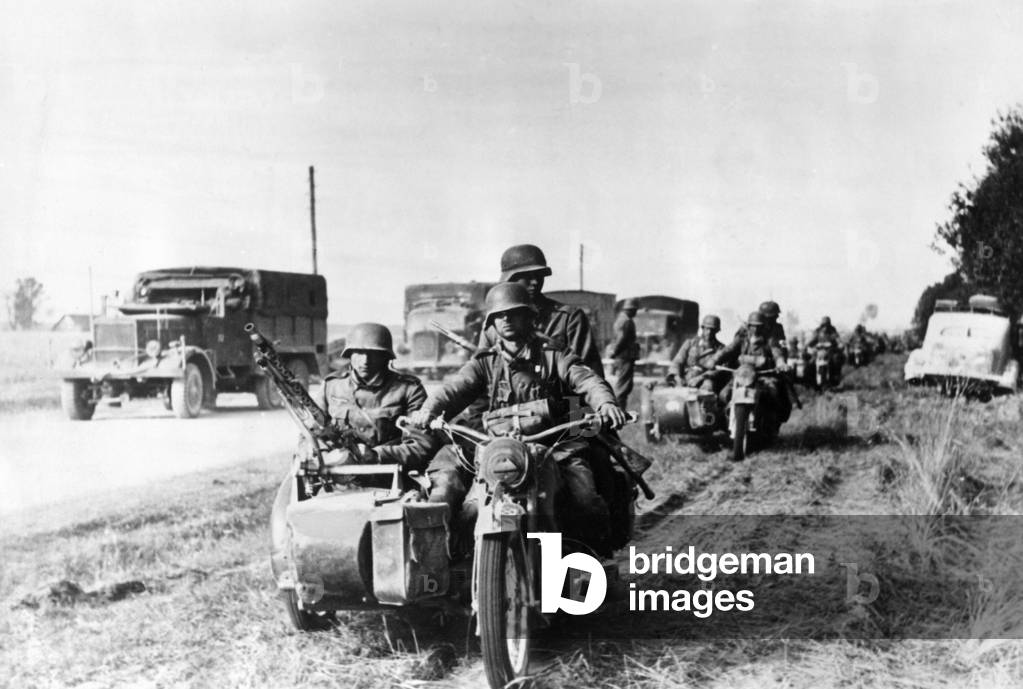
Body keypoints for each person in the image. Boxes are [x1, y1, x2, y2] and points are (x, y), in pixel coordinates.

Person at [411, 282, 629, 555]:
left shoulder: (554, 354)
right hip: (499, 448)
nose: (506, 320)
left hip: (553, 444)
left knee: (585, 498)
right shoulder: (484, 362)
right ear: (491, 323)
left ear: (529, 317)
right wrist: (428, 410)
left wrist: (606, 403)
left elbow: (586, 379)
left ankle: (593, 556)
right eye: (499, 316)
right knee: (467, 505)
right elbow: (454, 389)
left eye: (514, 313)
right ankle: (460, 557)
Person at [317, 322, 438, 470]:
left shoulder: (409, 389)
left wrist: (378, 455)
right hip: (339, 473)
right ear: (349, 354)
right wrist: (320, 451)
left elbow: (422, 445)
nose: (366, 360)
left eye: (374, 354)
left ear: (386, 357)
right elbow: (313, 430)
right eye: (359, 352)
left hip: (391, 474)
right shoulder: (332, 386)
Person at [479, 244, 605, 376]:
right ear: (510, 279)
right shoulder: (496, 321)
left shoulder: (568, 318)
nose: (534, 282)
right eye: (527, 276)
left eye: (539, 275)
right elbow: (482, 372)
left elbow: (590, 373)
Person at [711, 311, 791, 421]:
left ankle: (771, 422)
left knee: (773, 393)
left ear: (763, 327)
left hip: (763, 376)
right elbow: (728, 350)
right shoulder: (742, 339)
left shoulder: (769, 340)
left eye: (759, 326)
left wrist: (781, 363)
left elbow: (777, 352)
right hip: (741, 376)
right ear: (748, 326)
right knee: (723, 395)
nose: (756, 329)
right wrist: (714, 359)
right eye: (753, 326)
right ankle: (723, 420)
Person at [667, 314, 725, 392]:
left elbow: (719, 370)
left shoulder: (720, 348)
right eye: (707, 328)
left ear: (717, 331)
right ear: (702, 328)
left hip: (705, 379)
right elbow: (677, 362)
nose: (709, 332)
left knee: (708, 386)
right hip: (686, 377)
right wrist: (678, 377)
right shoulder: (690, 343)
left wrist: (700, 378)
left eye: (712, 330)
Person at [607, 298, 639, 407]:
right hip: (625, 357)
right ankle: (619, 411)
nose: (636, 312)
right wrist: (614, 351)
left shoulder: (621, 319)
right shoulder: (626, 321)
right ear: (630, 310)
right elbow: (621, 338)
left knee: (625, 385)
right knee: (623, 386)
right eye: (635, 310)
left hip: (622, 357)